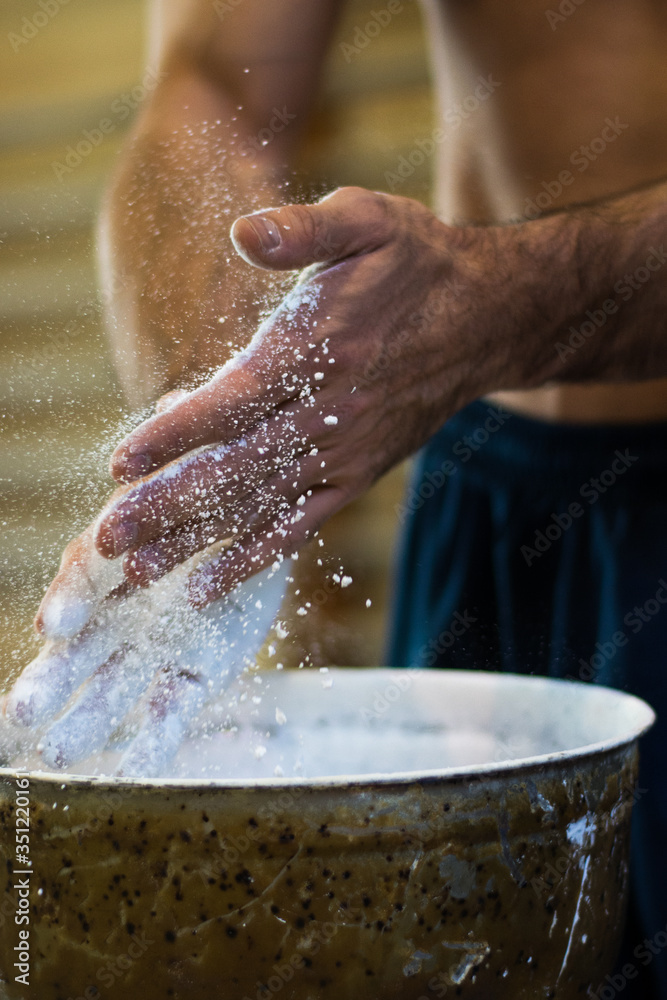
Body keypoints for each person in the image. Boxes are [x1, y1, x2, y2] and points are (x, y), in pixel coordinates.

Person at [8, 0, 667, 994]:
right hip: (501, 498)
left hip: (488, 361)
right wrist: (229, 422)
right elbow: (212, 91)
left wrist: (517, 303)